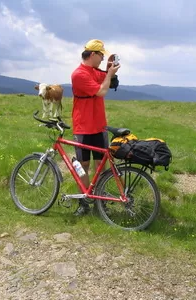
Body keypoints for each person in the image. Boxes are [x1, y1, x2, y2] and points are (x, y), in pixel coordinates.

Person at [70, 39, 120, 216]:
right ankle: (84, 202)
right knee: (82, 165)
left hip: (99, 126)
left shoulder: (94, 71)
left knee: (101, 164)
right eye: (101, 56)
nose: (101, 59)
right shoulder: (79, 74)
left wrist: (110, 70)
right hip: (83, 127)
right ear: (92, 55)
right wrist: (108, 75)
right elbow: (101, 91)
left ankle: (100, 200)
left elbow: (109, 81)